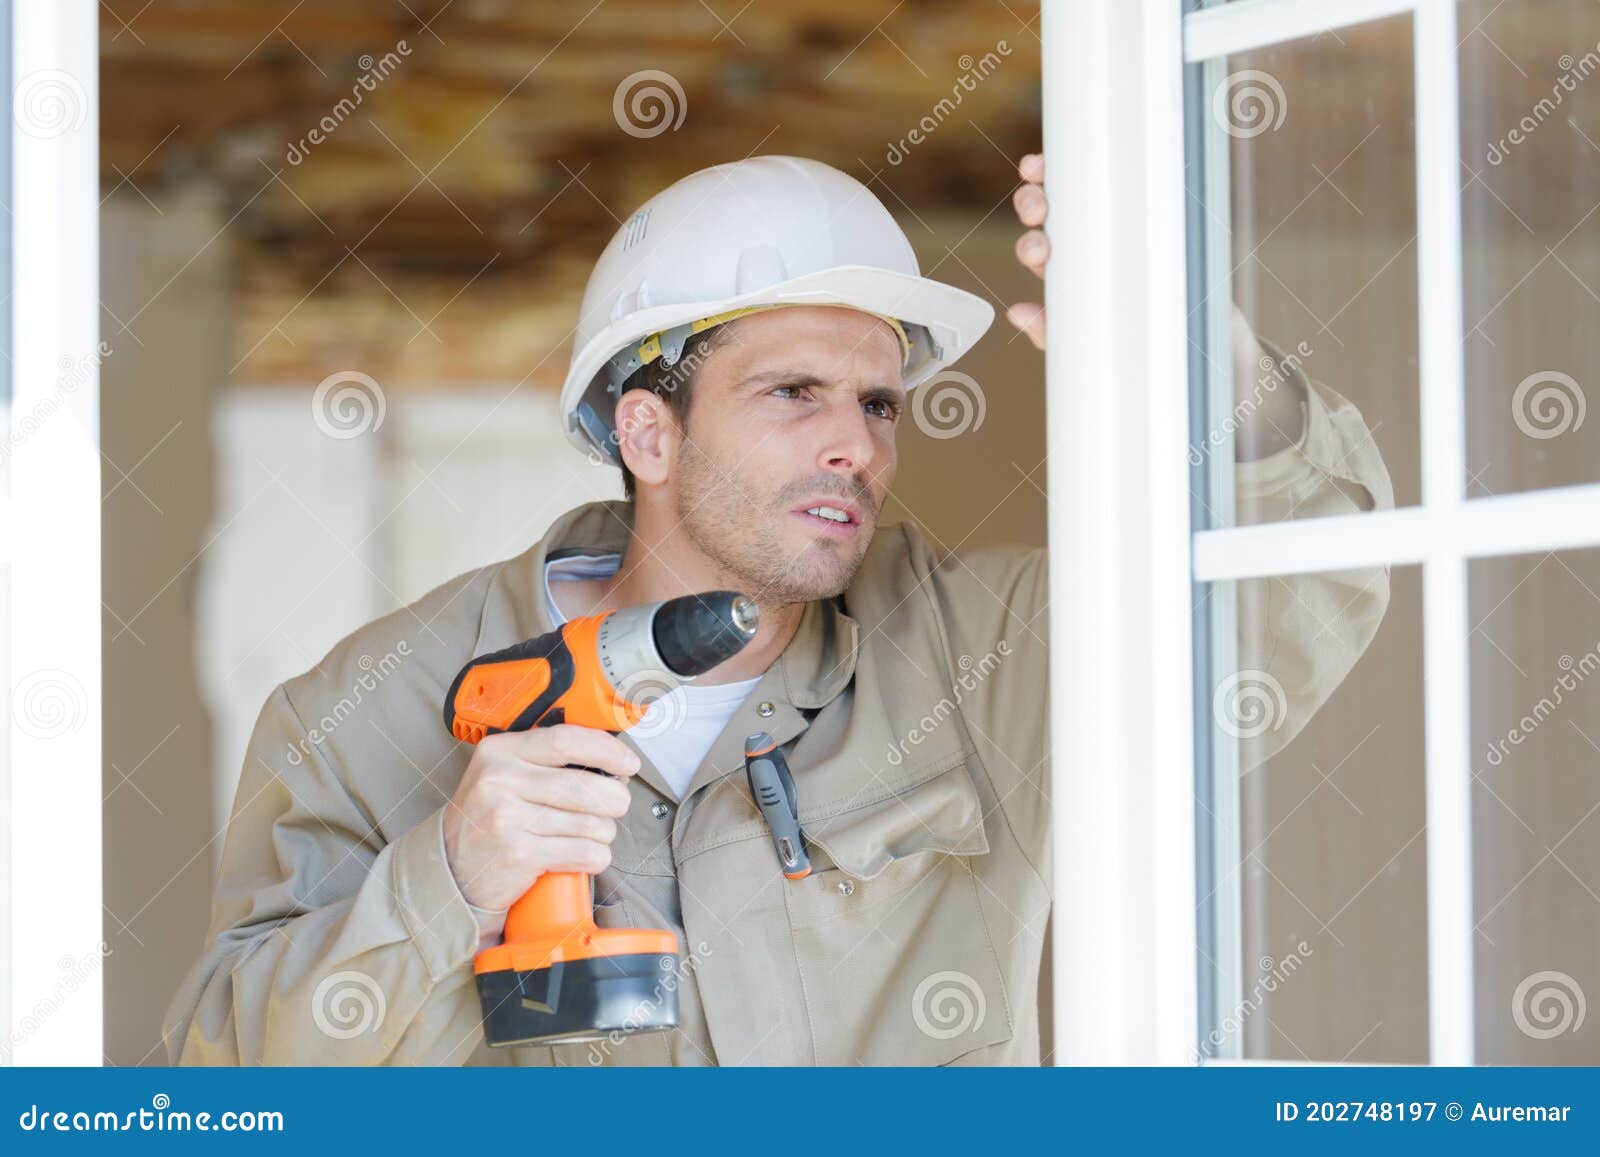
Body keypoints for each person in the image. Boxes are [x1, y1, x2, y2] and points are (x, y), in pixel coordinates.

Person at [164, 153, 1391, 1066]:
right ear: (648, 429)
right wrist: (443, 878)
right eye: (793, 391)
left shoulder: (983, 660)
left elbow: (1296, 595)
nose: (852, 442)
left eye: (877, 402)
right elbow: (221, 1083)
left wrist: (1217, 372)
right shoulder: (371, 709)